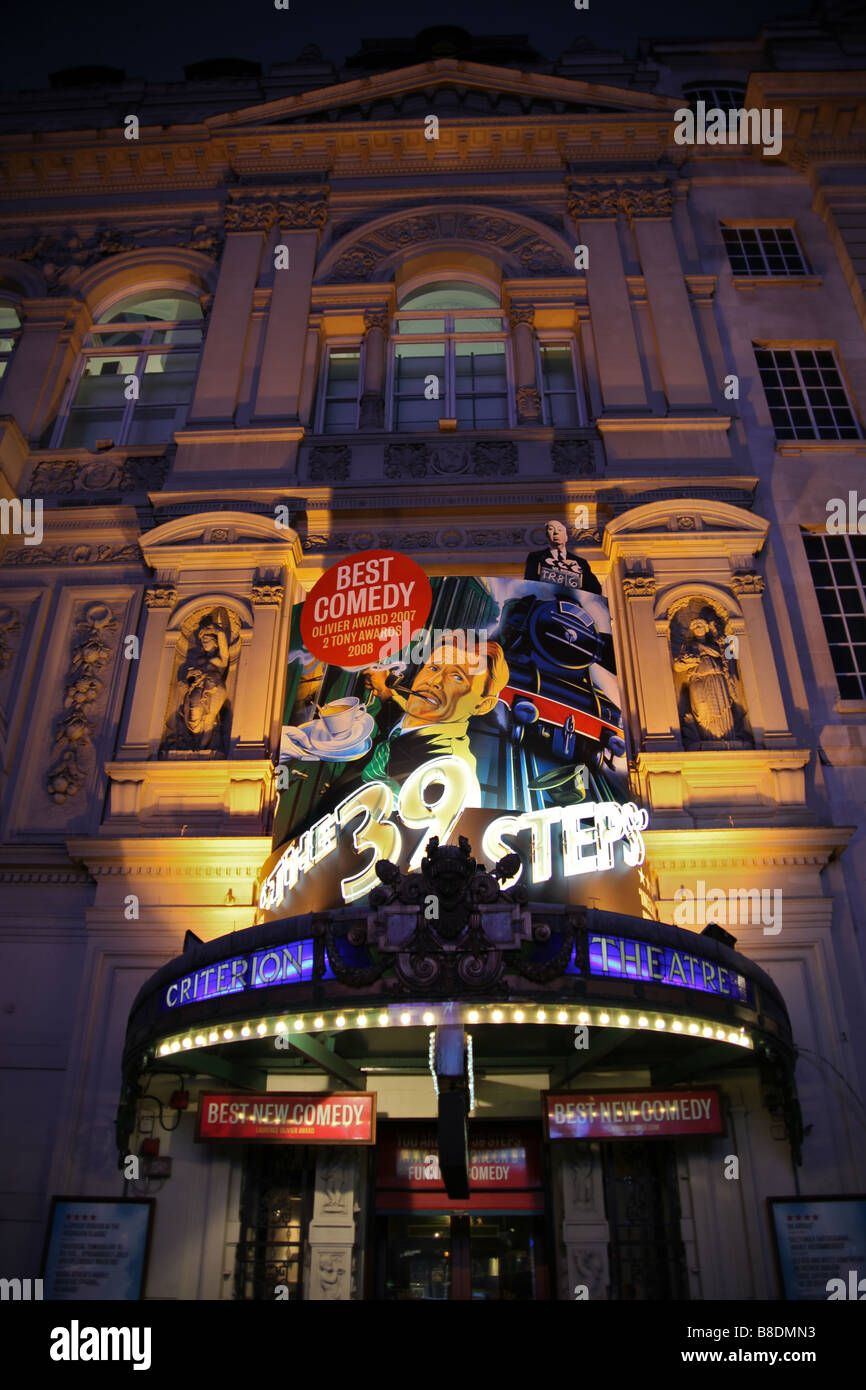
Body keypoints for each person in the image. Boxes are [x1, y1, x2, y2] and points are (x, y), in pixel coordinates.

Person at [360, 638, 509, 785]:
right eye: (433, 668)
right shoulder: (424, 720)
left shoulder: (447, 769)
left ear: (482, 706)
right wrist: (385, 691)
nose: (433, 681)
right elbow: (405, 722)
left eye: (457, 677)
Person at [524, 519, 602, 594]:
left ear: (566, 538)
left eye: (559, 530)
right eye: (551, 529)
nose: (555, 533)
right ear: (547, 535)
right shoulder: (536, 557)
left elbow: (596, 590)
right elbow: (530, 584)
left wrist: (579, 571)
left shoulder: (581, 562)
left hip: (572, 605)